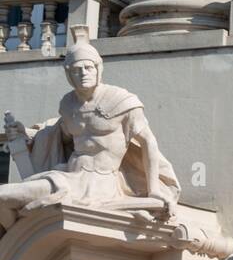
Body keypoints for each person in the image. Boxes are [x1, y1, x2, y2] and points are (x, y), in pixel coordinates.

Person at [0, 38, 180, 235]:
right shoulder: (68, 104)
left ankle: (18, 237)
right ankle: (16, 238)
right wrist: (26, 134)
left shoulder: (121, 100)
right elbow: (57, 134)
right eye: (77, 70)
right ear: (69, 74)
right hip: (69, 175)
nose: (83, 74)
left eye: (88, 67)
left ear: (98, 69)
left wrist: (153, 189)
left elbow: (148, 142)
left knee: (5, 196)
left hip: (100, 182)